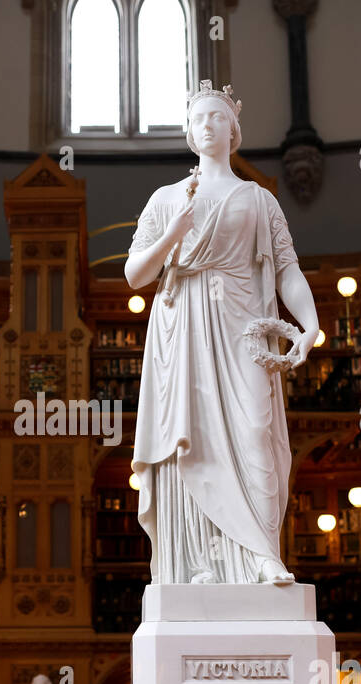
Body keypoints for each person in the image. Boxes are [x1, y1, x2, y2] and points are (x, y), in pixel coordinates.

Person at [125, 81, 321, 585]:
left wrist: (310, 322)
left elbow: (287, 270)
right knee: (190, 439)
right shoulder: (167, 198)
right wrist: (173, 232)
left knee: (255, 430)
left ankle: (262, 554)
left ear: (233, 129)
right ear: (189, 134)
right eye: (199, 119)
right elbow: (134, 275)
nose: (208, 124)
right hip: (181, 327)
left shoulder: (259, 200)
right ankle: (198, 563)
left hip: (243, 326)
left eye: (217, 116)